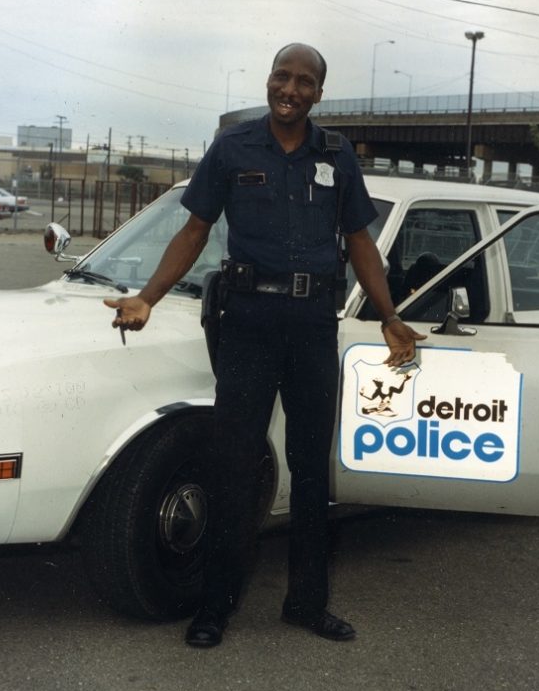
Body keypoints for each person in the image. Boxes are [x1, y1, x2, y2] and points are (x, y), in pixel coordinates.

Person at [104, 43, 423, 648]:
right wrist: (146, 296)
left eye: (305, 81)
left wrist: (389, 315)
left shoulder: (336, 154)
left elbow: (359, 241)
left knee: (309, 470)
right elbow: (194, 229)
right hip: (247, 320)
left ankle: (306, 603)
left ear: (319, 94)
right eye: (283, 76)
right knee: (234, 466)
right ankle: (214, 606)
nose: (291, 89)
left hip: (311, 324)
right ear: (269, 80)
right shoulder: (232, 148)